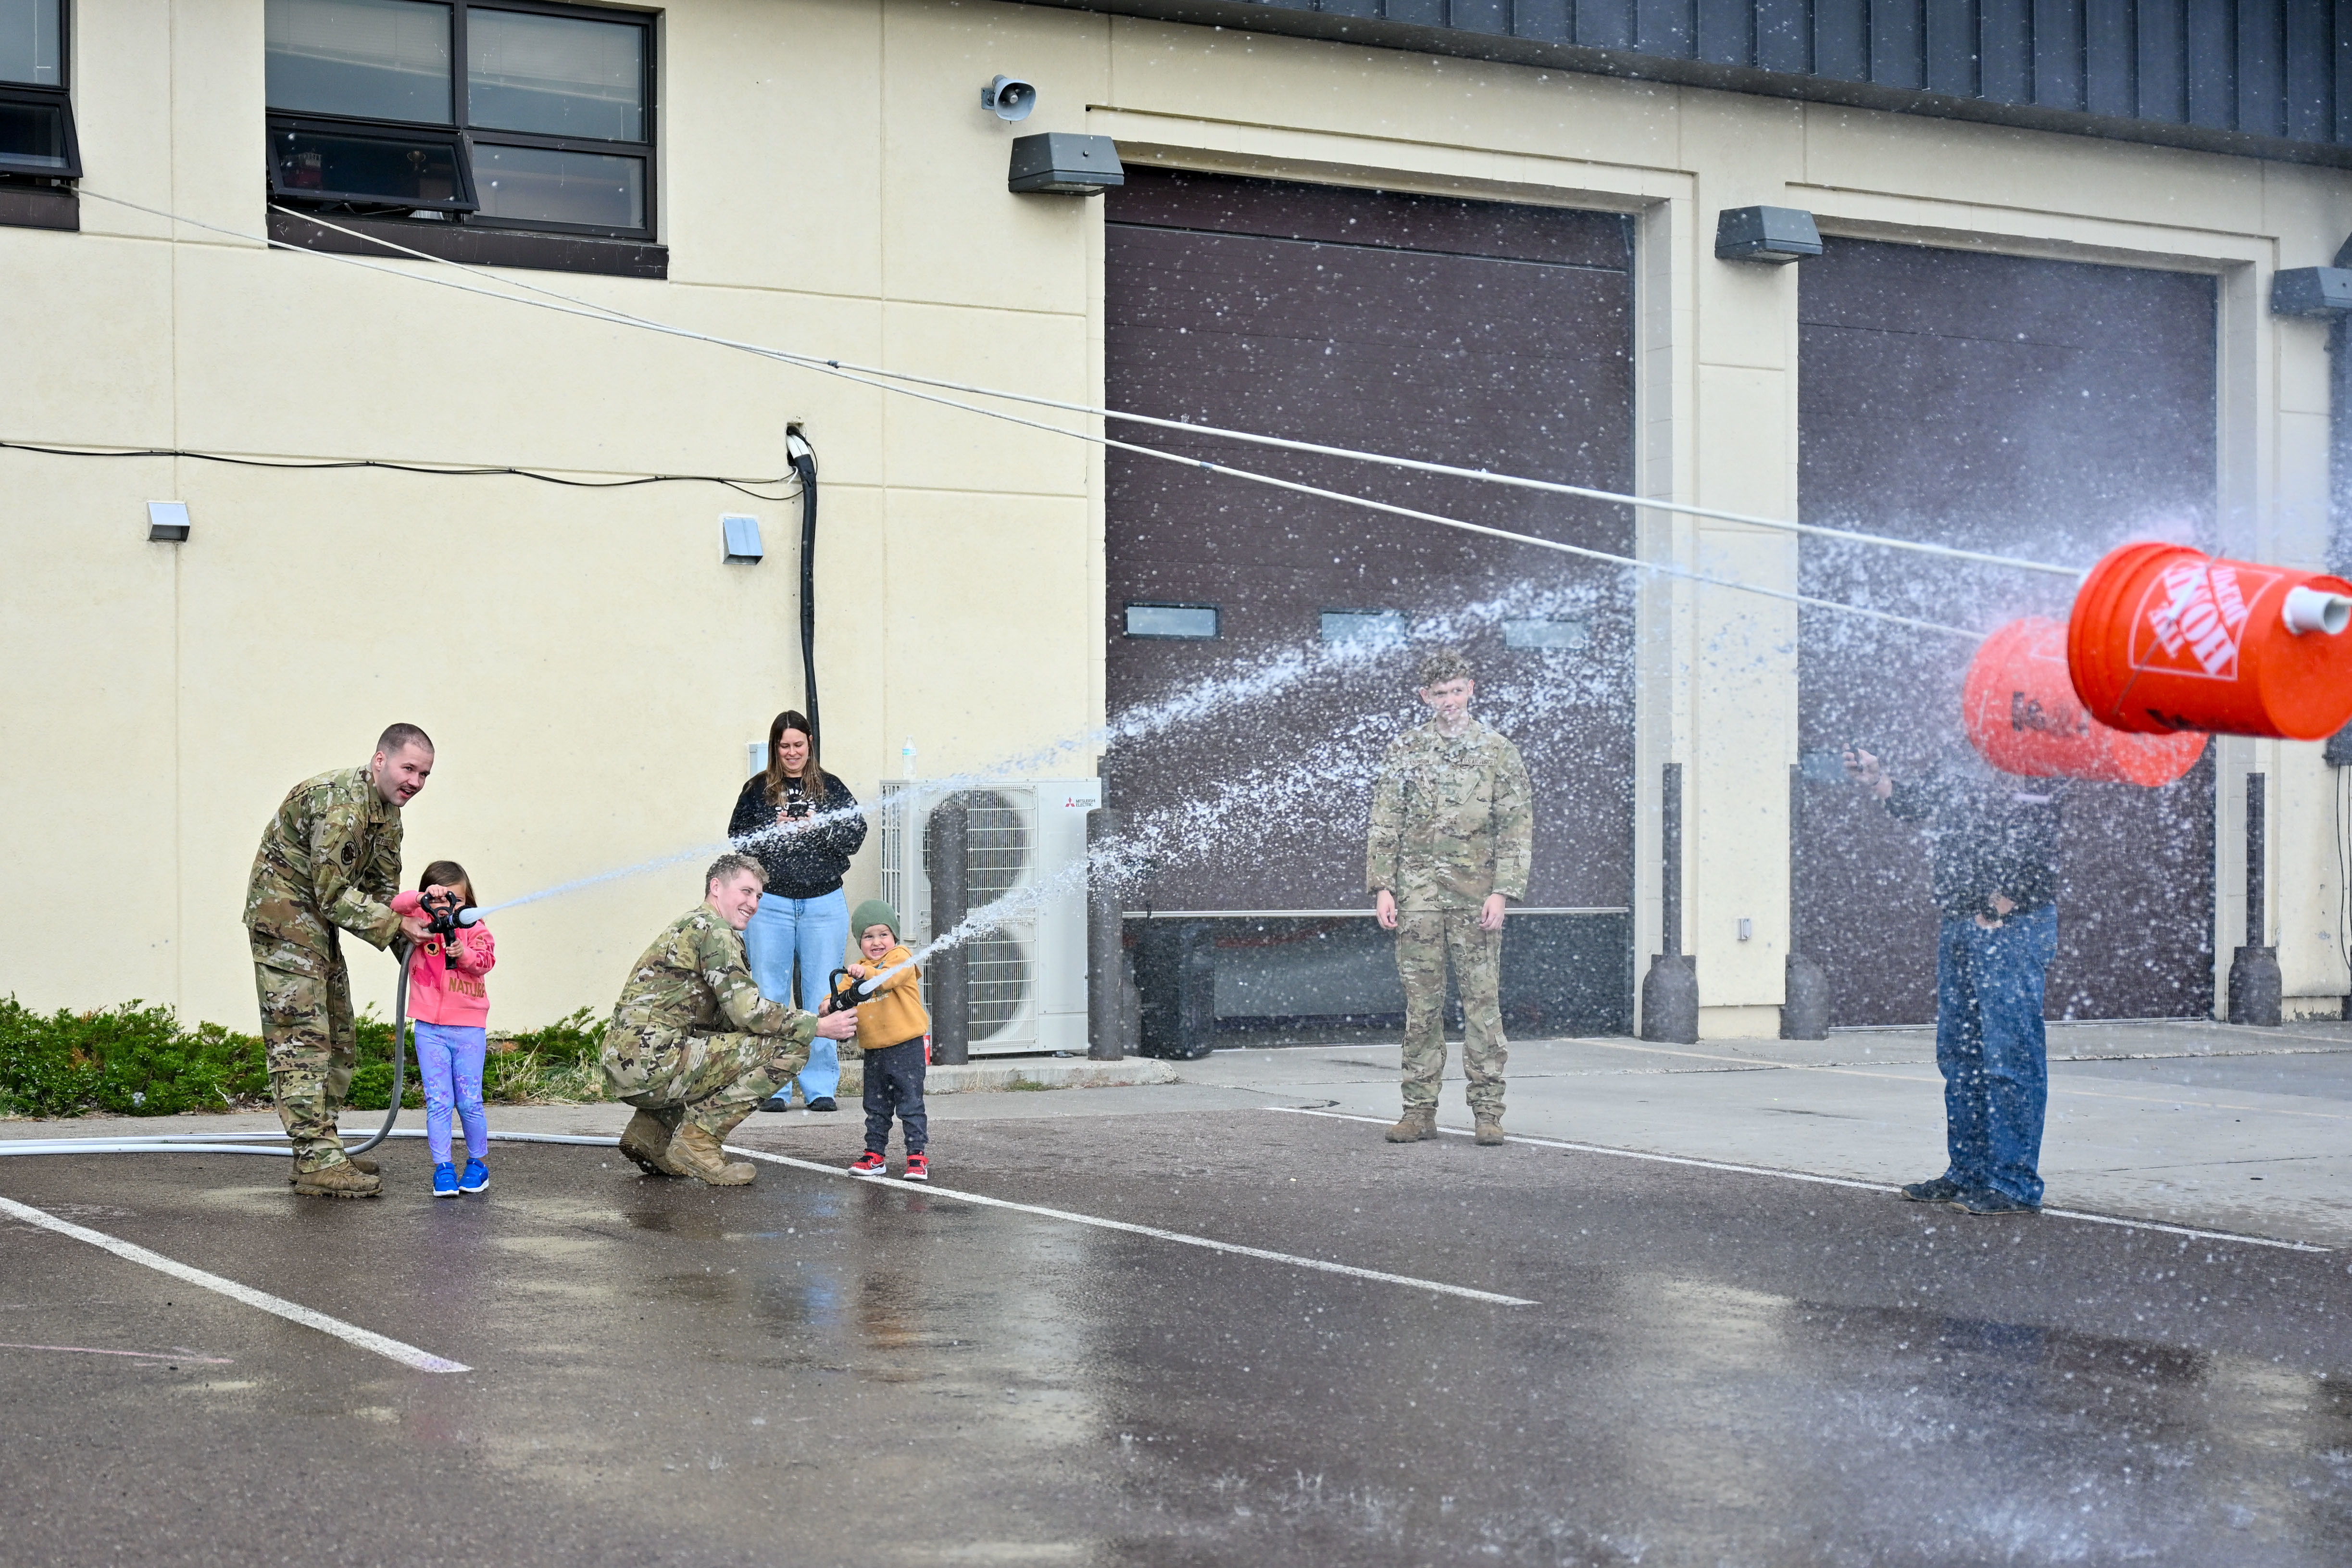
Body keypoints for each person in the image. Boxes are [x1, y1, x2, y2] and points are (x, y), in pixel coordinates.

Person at [1845, 746, 2061, 1217]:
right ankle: (1967, 1172)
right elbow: (1917, 803)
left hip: (2009, 925)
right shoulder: (1958, 755)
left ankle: (2013, 1184)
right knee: (1960, 1054)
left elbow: (2041, 849)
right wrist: (1878, 778)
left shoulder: (2035, 758)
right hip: (1961, 919)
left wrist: (1998, 906)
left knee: (2009, 1056)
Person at [246, 724, 438, 1198]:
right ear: (380, 761)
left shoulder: (388, 815)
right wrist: (398, 930)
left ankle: (320, 1149)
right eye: (408, 768)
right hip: (285, 920)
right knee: (303, 1039)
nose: (415, 781)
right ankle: (316, 1159)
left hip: (316, 923)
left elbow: (383, 897)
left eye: (425, 774)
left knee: (339, 1033)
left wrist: (421, 954)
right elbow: (333, 895)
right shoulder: (343, 806)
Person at [604, 853, 862, 1186]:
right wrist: (817, 1028)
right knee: (790, 1049)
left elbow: (731, 1020)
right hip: (655, 1062)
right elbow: (747, 1011)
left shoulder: (691, 923)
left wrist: (812, 1015)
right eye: (745, 891)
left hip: (627, 1063)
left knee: (724, 1046)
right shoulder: (715, 931)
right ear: (716, 887)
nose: (753, 903)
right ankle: (698, 1143)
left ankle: (650, 1133)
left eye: (758, 896)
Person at [1366, 648, 1533, 1147]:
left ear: (1471, 689)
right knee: (1422, 1008)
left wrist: (1503, 892)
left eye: (1456, 691)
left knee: (1482, 1005)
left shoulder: (1497, 750)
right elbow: (1384, 820)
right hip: (1416, 895)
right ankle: (1418, 1111)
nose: (1449, 701)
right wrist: (1382, 887)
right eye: (1439, 693)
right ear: (1424, 697)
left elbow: (1515, 826)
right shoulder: (1405, 749)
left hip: (1475, 894)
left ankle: (1487, 1112)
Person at [728, 710, 868, 1113]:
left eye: (798, 745)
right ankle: (772, 1085)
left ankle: (820, 1085)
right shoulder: (757, 790)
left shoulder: (830, 788)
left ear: (810, 744)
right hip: (770, 903)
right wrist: (776, 829)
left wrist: (818, 826)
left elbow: (855, 835)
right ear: (775, 749)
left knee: (822, 994)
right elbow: (739, 837)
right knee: (770, 990)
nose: (792, 753)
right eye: (784, 746)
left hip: (823, 901)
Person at [390, 861, 496, 1200]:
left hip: (468, 1030)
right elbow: (395, 905)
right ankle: (443, 1169)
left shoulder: (477, 930)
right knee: (438, 1102)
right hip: (430, 1030)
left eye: (457, 901)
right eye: (440, 901)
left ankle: (478, 1165)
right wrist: (424, 896)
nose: (449, 908)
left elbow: (486, 962)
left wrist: (464, 954)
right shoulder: (421, 930)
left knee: (469, 1101)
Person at [834, 900, 932, 1182]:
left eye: (883, 934)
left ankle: (917, 1157)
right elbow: (838, 995)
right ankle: (874, 1155)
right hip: (875, 1051)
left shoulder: (901, 957)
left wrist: (866, 974)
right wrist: (828, 1005)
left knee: (910, 1104)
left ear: (894, 937)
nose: (876, 942)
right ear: (859, 941)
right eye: (868, 936)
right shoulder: (858, 970)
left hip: (907, 1047)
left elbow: (887, 979)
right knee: (875, 1106)